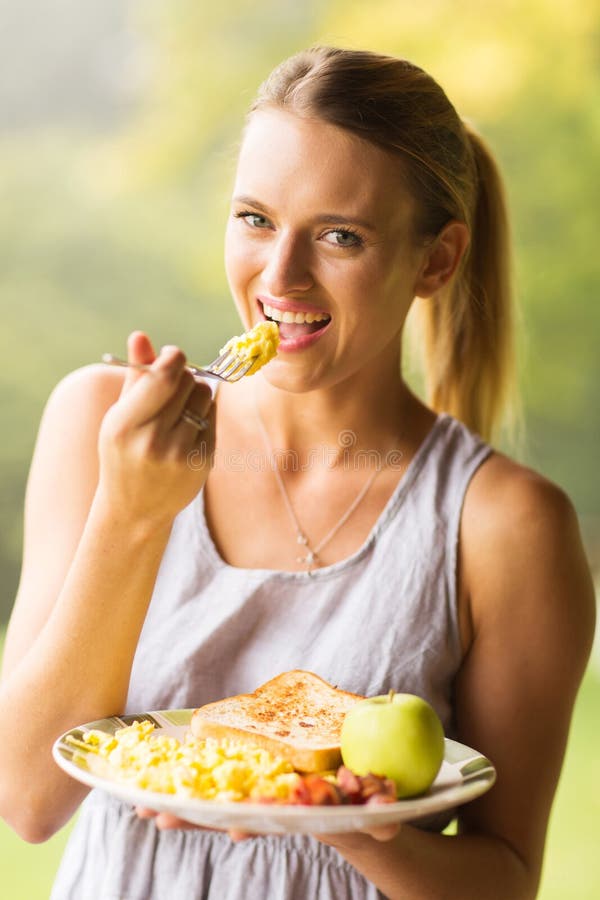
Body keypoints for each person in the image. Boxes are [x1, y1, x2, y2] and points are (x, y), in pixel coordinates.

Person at [0, 45, 595, 900]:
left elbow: (503, 878)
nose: (281, 277)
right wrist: (131, 516)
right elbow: (27, 798)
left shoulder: (504, 525)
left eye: (340, 236)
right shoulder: (100, 424)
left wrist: (317, 808)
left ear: (436, 260)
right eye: (255, 219)